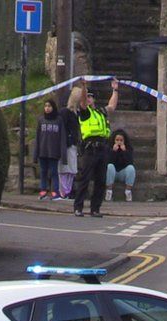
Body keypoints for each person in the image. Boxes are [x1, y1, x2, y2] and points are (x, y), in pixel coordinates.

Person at [73, 80, 118, 218]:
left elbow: (112, 106)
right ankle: (78, 207)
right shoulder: (84, 112)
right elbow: (82, 102)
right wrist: (84, 87)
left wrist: (115, 90)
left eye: (90, 97)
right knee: (84, 179)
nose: (88, 99)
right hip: (89, 149)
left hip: (102, 148)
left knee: (101, 180)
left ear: (94, 99)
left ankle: (95, 208)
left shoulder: (100, 112)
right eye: (87, 96)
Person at [56, 87, 83, 201]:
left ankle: (67, 191)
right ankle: (63, 192)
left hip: (73, 145)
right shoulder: (65, 112)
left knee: (72, 170)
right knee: (64, 169)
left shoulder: (76, 113)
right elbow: (62, 128)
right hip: (66, 145)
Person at [33, 98, 63, 200]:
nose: (47, 108)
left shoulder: (58, 120)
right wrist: (35, 153)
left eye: (49, 106)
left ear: (53, 107)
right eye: (45, 106)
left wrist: (62, 154)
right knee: (43, 172)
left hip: (54, 151)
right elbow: (37, 137)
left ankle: (55, 192)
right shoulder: (41, 120)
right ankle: (43, 191)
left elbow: (62, 137)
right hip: (43, 151)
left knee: (54, 172)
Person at [105, 129, 136, 202]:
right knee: (109, 166)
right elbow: (107, 161)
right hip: (112, 173)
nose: (119, 142)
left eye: (121, 140)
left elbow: (130, 162)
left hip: (123, 172)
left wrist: (125, 151)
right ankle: (109, 191)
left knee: (131, 168)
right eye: (117, 140)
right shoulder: (108, 148)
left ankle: (128, 191)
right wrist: (113, 152)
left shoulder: (128, 148)